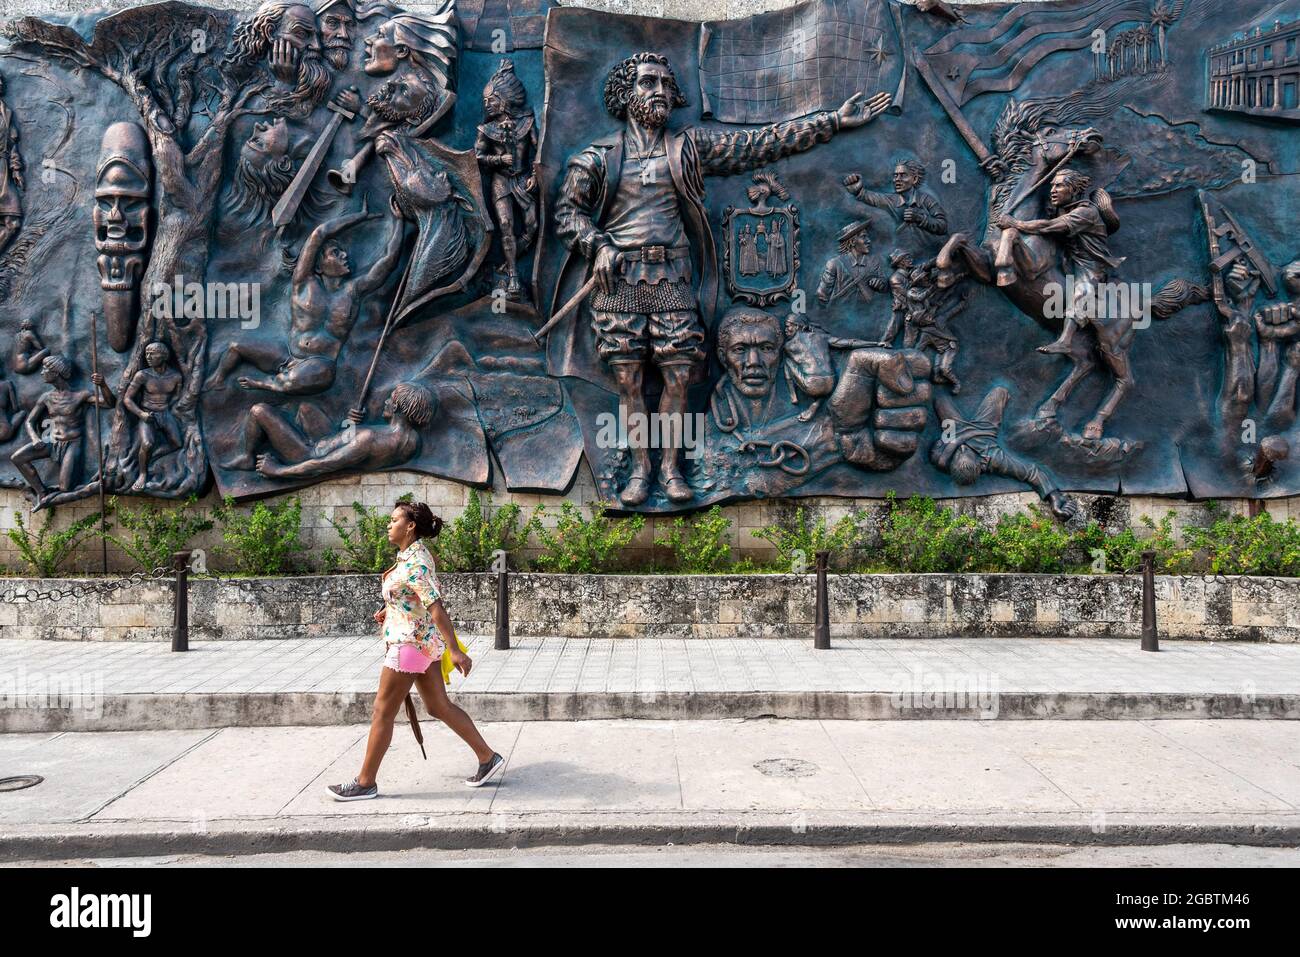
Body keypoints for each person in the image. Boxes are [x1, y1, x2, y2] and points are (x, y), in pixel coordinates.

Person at [329, 501, 503, 800]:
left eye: (394, 519)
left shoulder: (416, 563)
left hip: (409, 645)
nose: (389, 524)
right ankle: (487, 757)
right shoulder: (410, 556)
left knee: (382, 710)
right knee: (438, 706)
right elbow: (414, 601)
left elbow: (435, 606)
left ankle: (365, 782)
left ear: (409, 526)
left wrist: (456, 651)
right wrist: (391, 609)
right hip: (422, 642)